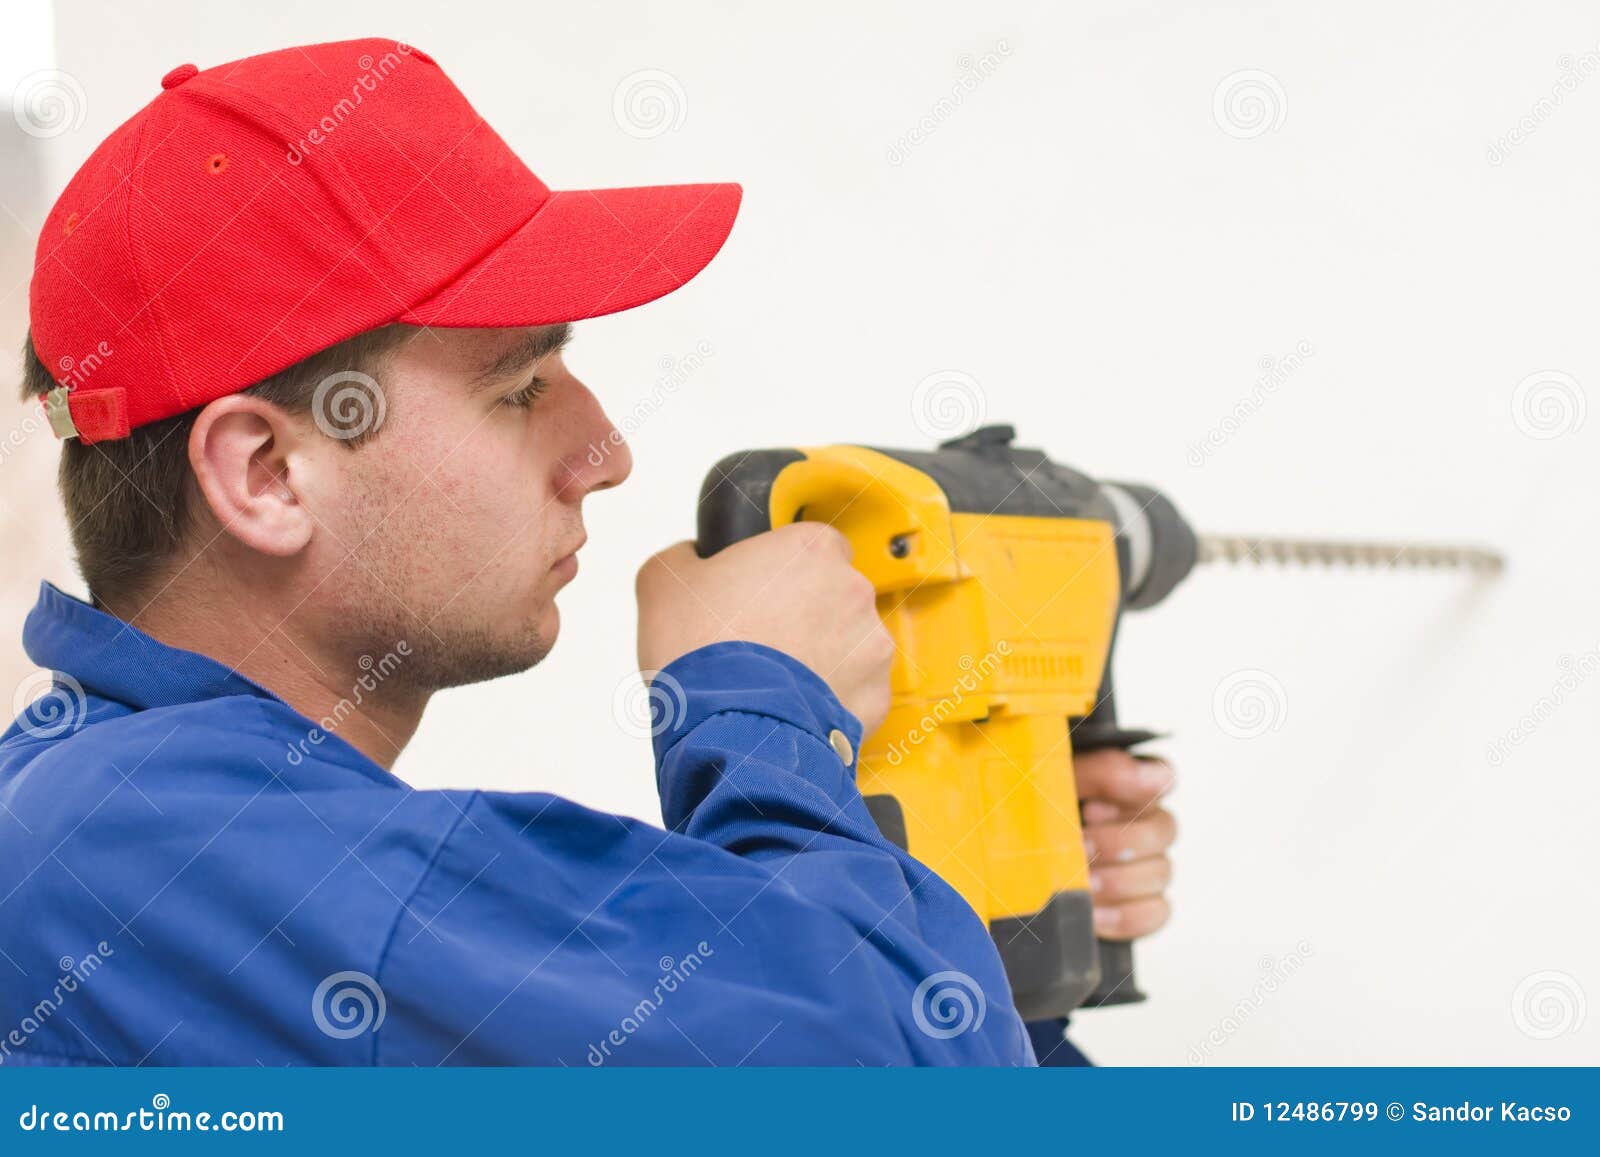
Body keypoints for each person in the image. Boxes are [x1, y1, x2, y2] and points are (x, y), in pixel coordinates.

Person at [0, 38, 1174, 1066]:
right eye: (519, 388)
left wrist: (972, 898)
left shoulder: (136, 817)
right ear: (267, 472)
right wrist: (761, 704)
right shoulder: (153, 850)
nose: (605, 452)